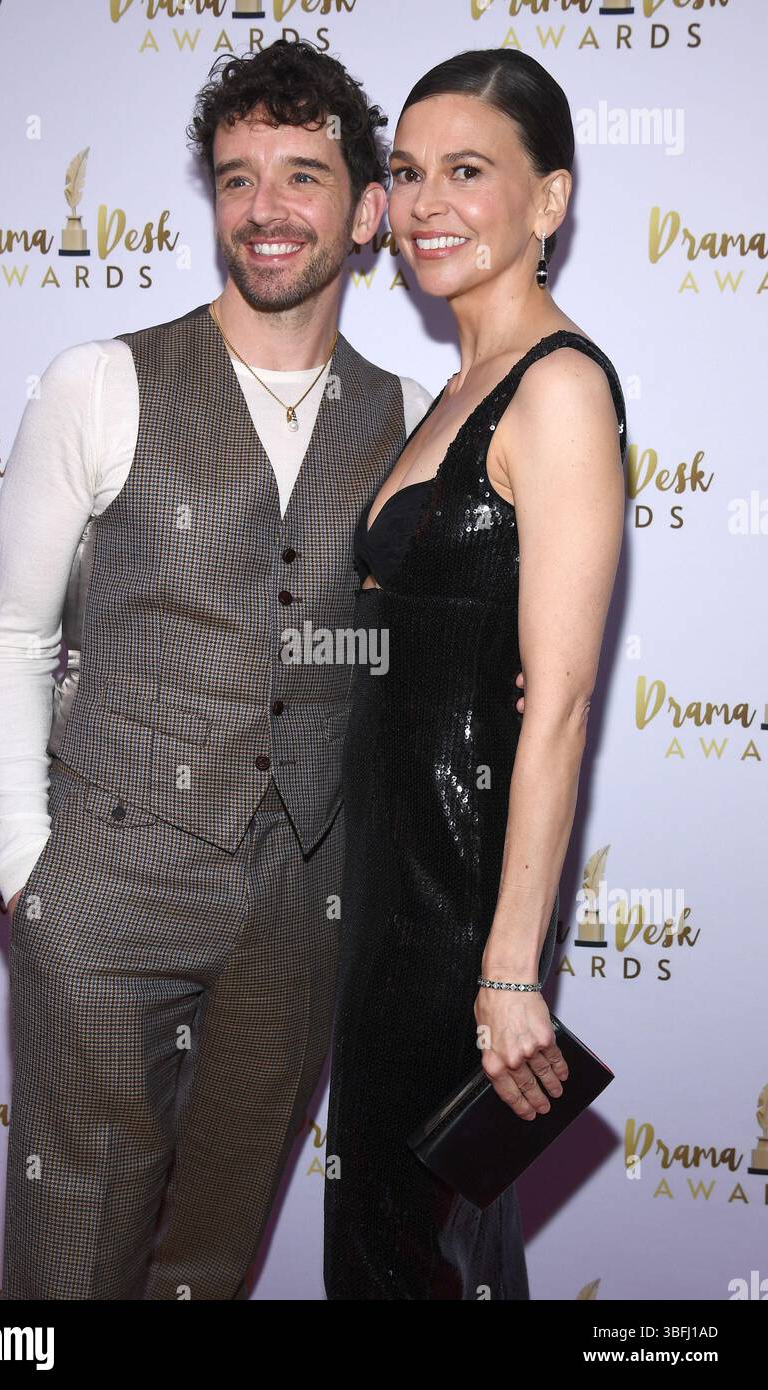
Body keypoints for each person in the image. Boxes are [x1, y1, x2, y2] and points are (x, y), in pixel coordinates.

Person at [0, 38, 525, 1301]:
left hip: (304, 900)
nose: (265, 210)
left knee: (210, 1258)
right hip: (108, 881)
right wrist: (25, 863)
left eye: (301, 175)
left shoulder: (411, 419)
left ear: (368, 208)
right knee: (69, 1261)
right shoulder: (99, 382)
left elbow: (405, 650)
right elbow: (12, 635)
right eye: (236, 179)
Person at [323, 48, 628, 1300]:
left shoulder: (556, 389)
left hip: (460, 913)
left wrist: (508, 972)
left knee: (403, 1249)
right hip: (393, 893)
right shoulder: (457, 388)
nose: (423, 203)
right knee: (428, 1248)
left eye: (466, 171)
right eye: (405, 173)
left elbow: (555, 708)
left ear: (546, 201)